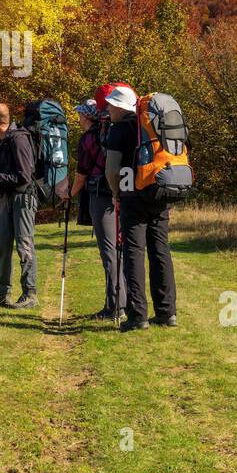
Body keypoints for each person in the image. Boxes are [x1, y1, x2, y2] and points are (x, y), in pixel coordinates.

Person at [103, 85, 177, 331]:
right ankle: (167, 313)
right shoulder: (150, 125)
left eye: (110, 105)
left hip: (132, 198)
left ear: (119, 107)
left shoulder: (119, 130)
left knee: (134, 253)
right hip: (158, 193)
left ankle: (138, 316)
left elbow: (112, 170)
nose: (108, 110)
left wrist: (115, 193)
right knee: (160, 251)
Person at [60, 100, 123, 319]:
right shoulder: (109, 133)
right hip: (117, 194)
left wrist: (69, 193)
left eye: (80, 114)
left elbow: (82, 173)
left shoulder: (88, 138)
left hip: (100, 195)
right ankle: (120, 303)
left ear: (87, 117)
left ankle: (115, 307)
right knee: (118, 249)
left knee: (109, 251)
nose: (78, 118)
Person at [0, 103, 38, 309]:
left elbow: (24, 177)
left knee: (24, 245)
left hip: (23, 198)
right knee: (3, 246)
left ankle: (30, 294)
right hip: (7, 198)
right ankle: (2, 292)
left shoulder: (19, 139)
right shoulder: (1, 141)